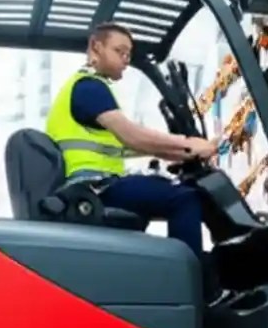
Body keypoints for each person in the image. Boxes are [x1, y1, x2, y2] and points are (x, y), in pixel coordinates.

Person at [44, 22, 219, 262]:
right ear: (96, 47)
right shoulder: (89, 87)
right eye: (120, 51)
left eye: (128, 54)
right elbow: (133, 136)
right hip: (94, 188)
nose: (126, 60)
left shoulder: (86, 87)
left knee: (162, 190)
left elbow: (128, 146)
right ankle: (192, 276)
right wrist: (188, 144)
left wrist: (179, 153)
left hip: (96, 186)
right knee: (184, 198)